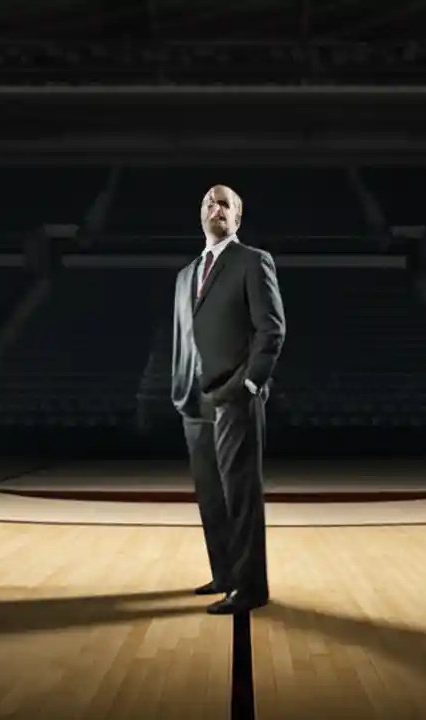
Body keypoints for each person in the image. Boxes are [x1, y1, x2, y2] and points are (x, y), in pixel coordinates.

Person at [171, 184, 285, 615]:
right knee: (211, 496)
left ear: (237, 216)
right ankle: (225, 573)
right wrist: (178, 388)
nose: (214, 207)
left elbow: (271, 329)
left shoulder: (253, 261)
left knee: (240, 494)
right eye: (208, 202)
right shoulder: (185, 275)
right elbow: (182, 339)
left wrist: (250, 384)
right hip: (193, 401)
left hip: (234, 395)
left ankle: (251, 587)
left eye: (224, 203)